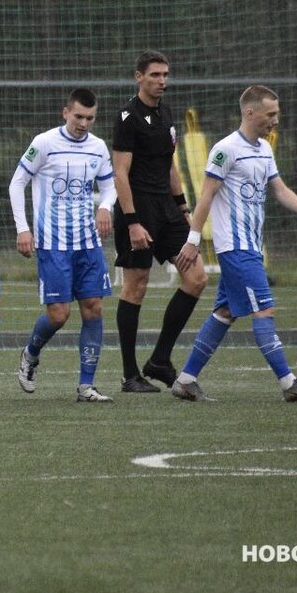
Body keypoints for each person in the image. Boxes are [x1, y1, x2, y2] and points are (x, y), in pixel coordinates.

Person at [171, 86, 297, 402]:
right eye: (271, 114)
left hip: (251, 245)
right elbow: (206, 196)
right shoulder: (225, 149)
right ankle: (289, 383)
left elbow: (279, 189)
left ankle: (186, 380)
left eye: (277, 114)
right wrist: (193, 240)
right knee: (264, 309)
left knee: (226, 311)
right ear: (250, 113)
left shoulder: (264, 149)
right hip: (235, 248)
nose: (275, 121)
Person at [9, 88, 117, 402]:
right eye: (79, 116)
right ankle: (30, 354)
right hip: (52, 242)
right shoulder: (44, 143)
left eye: (90, 117)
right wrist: (23, 228)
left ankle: (86, 385)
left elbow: (108, 187)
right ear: (65, 112)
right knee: (59, 315)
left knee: (94, 308)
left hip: (87, 242)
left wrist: (105, 207)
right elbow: (17, 183)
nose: (84, 123)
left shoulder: (98, 147)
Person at [111, 50, 207, 393]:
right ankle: (129, 375)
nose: (162, 81)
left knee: (196, 277)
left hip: (167, 210)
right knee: (135, 286)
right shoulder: (127, 116)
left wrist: (184, 210)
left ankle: (160, 359)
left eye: (165, 74)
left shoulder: (166, 113)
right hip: (138, 210)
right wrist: (133, 222)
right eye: (155, 75)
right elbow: (120, 173)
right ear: (139, 77)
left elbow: (170, 166)